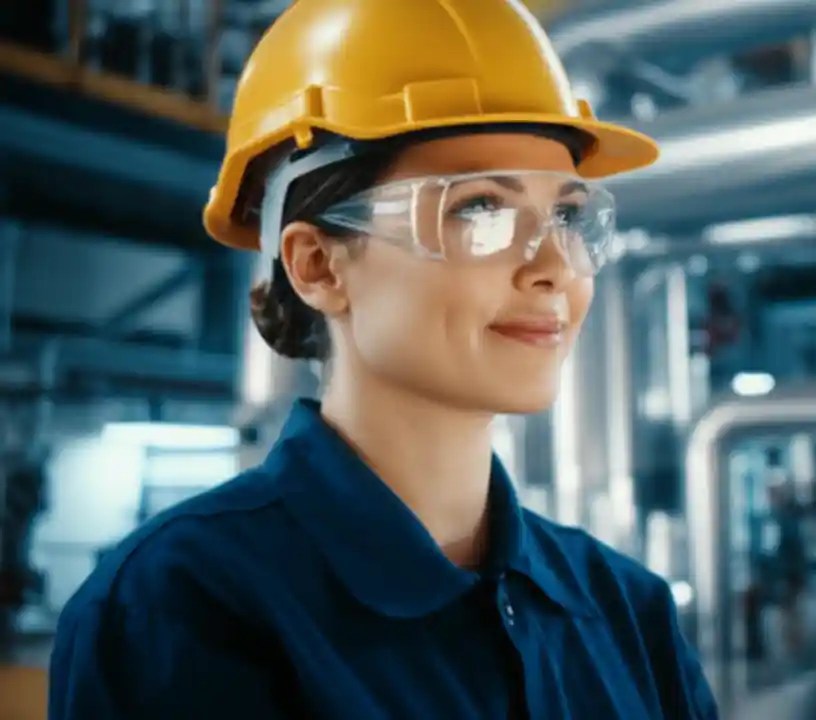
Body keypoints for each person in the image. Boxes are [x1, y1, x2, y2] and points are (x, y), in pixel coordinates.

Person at [48, 1, 717, 718]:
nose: (555, 267)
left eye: (568, 217)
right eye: (480, 210)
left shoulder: (624, 612)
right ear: (317, 266)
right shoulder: (178, 607)